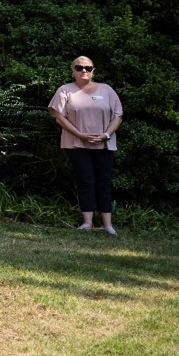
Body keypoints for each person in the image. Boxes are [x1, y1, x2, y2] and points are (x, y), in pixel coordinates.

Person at [49, 56, 123, 235]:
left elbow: (118, 116)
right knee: (86, 181)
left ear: (93, 71)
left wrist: (106, 135)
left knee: (104, 182)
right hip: (76, 144)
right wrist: (80, 135)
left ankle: (108, 225)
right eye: (80, 67)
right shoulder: (65, 90)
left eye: (88, 68)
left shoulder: (107, 90)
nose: (84, 71)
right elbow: (58, 116)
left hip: (104, 144)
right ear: (72, 70)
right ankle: (87, 222)